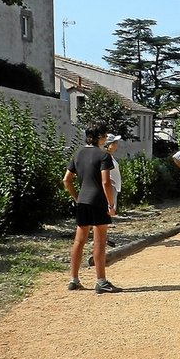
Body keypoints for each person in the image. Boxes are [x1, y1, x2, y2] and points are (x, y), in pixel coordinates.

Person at [63, 122, 121, 294]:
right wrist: (111, 205)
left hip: (83, 201)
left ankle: (73, 279)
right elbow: (105, 182)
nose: (105, 139)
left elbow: (66, 180)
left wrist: (76, 197)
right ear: (100, 137)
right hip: (98, 201)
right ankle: (101, 281)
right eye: (104, 136)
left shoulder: (78, 153)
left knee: (79, 241)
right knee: (100, 241)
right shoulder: (104, 156)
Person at [104, 133, 122, 213]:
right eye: (115, 142)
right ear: (109, 145)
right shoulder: (105, 157)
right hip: (109, 188)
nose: (116, 144)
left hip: (113, 188)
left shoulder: (110, 157)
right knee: (107, 213)